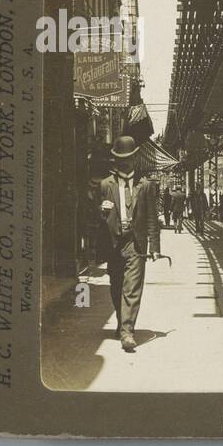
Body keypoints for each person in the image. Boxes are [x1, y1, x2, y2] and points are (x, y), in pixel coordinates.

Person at [94, 136, 161, 353]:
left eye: (129, 158)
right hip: (113, 242)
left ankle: (127, 332)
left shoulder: (146, 185)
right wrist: (101, 211)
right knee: (116, 286)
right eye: (121, 159)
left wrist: (155, 247)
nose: (125, 162)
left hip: (136, 243)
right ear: (115, 160)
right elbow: (93, 216)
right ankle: (122, 322)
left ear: (135, 159)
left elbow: (152, 216)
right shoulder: (105, 185)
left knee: (132, 287)